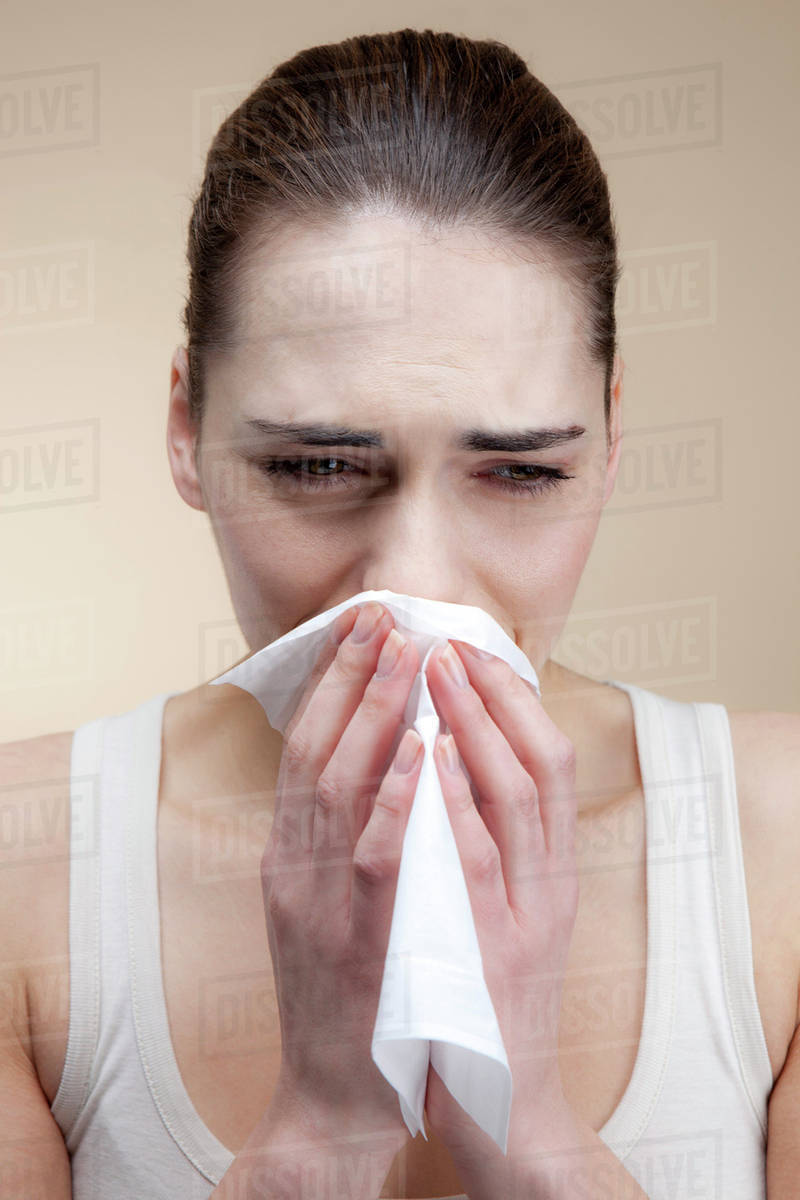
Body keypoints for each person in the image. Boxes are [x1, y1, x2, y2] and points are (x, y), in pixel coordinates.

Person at [1, 26, 798, 1200]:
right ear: (186, 430)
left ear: (611, 439)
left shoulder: (778, 845)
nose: (416, 584)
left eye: (520, 473)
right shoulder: (25, 875)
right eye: (318, 468)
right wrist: (320, 1120)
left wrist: (524, 1121)